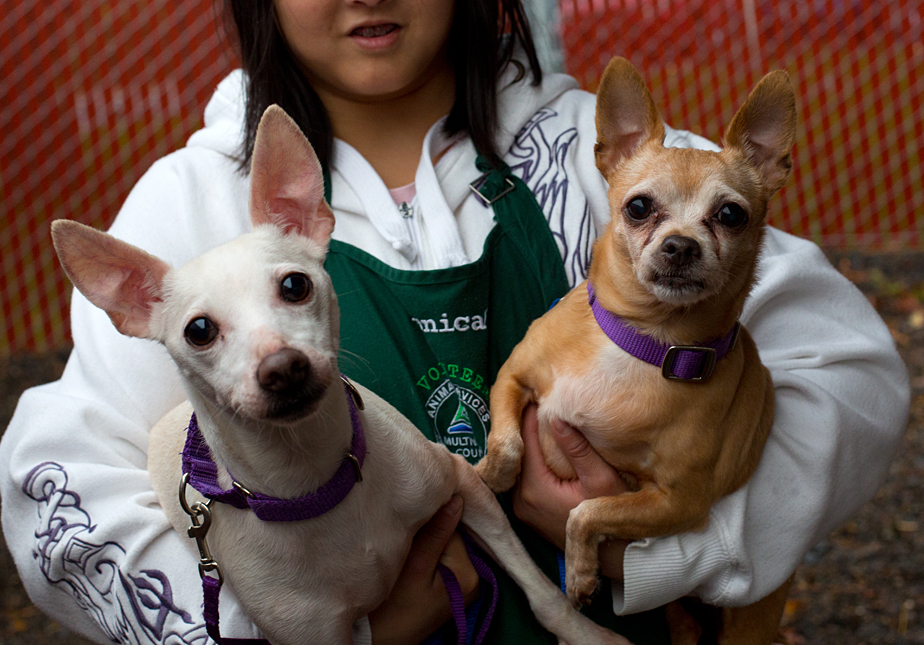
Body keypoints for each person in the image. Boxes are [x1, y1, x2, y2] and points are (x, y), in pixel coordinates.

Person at [0, 0, 909, 643]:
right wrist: (287, 623)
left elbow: (849, 372)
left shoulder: (613, 162)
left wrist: (661, 548)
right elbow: (63, 485)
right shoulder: (191, 202)